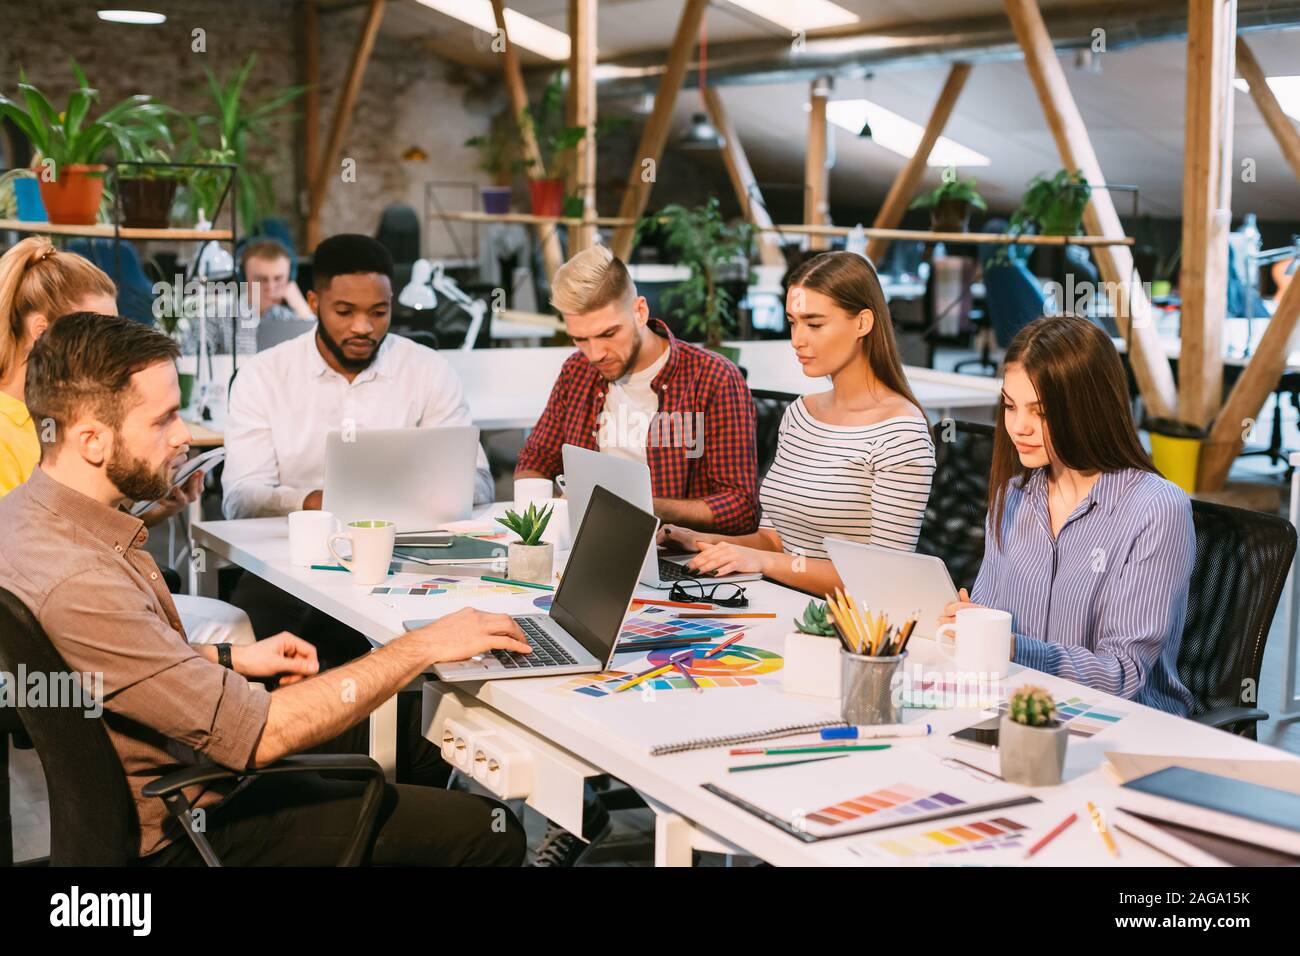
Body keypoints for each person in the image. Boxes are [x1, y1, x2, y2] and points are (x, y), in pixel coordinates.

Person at [0, 311, 531, 865]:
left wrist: (230, 655)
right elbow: (260, 735)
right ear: (91, 440)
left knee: (421, 729)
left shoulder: (26, 520)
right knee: (490, 833)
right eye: (163, 420)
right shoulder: (81, 580)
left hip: (184, 763)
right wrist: (422, 645)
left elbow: (106, 662)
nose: (183, 436)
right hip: (194, 822)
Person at [940, 314, 1197, 715]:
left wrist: (1009, 644)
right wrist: (971, 624)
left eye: (1040, 413)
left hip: (1118, 724)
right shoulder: (1015, 495)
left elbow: (1123, 675)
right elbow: (990, 613)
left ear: (1089, 410)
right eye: (1010, 406)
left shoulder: (1156, 509)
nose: (1018, 427)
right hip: (1015, 705)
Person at [0, 236, 250, 644]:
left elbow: (71, 533)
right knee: (228, 625)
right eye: (98, 332)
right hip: (46, 630)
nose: (112, 347)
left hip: (81, 600)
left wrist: (146, 510)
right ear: (42, 332)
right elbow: (32, 564)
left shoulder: (48, 418)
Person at [659, 251, 936, 596]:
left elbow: (884, 578)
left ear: (863, 323)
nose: (797, 340)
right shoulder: (800, 414)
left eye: (814, 324)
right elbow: (776, 539)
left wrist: (763, 563)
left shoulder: (900, 435)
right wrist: (705, 540)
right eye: (793, 322)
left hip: (847, 627)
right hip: (779, 601)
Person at [222, 232, 493, 519]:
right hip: (291, 547)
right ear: (314, 304)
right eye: (344, 312)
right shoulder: (262, 377)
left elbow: (480, 483)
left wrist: (401, 496)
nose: (362, 327)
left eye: (378, 312)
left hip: (407, 543)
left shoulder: (430, 371)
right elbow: (240, 499)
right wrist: (314, 502)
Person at [515, 244, 759, 534]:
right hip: (588, 542)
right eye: (580, 339)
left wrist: (642, 507)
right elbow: (536, 461)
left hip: (677, 556)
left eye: (608, 334)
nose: (595, 354)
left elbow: (742, 506)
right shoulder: (577, 371)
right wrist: (539, 526)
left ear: (640, 311)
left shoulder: (713, 378)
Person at [240, 237, 313, 322]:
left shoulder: (289, 316)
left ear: (289, 280)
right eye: (262, 279)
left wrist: (303, 311)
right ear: (244, 279)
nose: (271, 287)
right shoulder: (226, 317)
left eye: (278, 279)